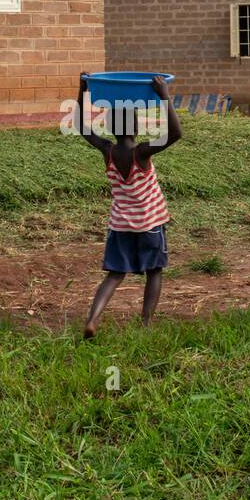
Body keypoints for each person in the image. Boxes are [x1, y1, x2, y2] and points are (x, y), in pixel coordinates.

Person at [77, 73, 182, 338]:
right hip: (149, 225)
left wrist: (83, 89)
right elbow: (175, 134)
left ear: (113, 129)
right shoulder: (142, 153)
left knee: (114, 275)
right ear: (135, 128)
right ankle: (145, 325)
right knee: (154, 271)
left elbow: (80, 124)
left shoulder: (108, 151)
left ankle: (92, 319)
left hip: (120, 226)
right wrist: (164, 96)